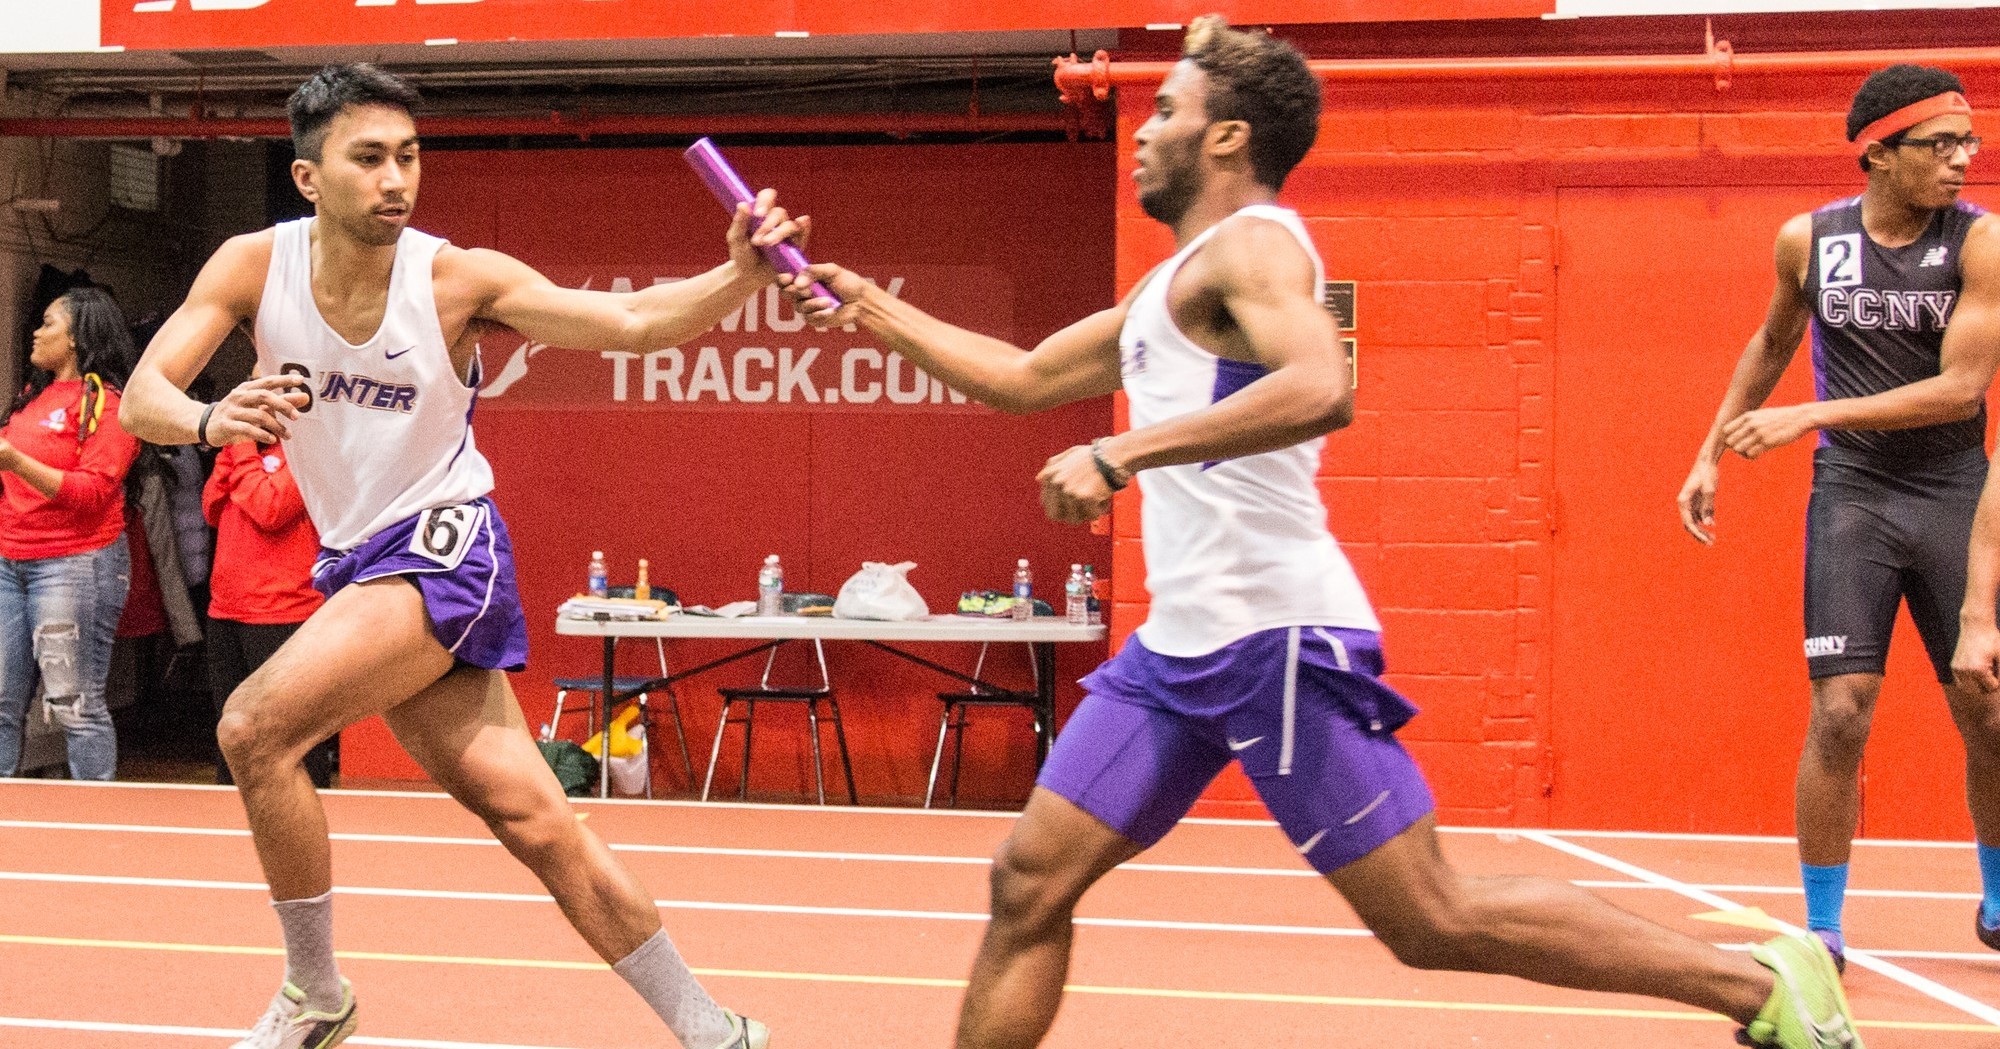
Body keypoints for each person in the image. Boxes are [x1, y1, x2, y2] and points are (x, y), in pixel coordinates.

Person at [784, 16, 1859, 1049]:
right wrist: (869, 306)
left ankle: (1765, 985)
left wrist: (1120, 453)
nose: (1143, 130)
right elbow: (1021, 377)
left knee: (1429, 916)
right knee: (1029, 878)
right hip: (1178, 652)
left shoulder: (1254, 250)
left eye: (1165, 111)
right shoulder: (1170, 285)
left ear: (1226, 138)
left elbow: (1319, 384)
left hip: (1275, 640)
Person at [121, 63, 803, 1049]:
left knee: (252, 726)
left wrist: (738, 274)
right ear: (309, 177)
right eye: (369, 158)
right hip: (359, 563)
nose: (396, 178)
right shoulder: (252, 266)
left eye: (408, 156)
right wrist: (207, 415)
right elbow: (144, 397)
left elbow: (630, 323)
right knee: (537, 822)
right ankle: (715, 1029)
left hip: (444, 548)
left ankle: (315, 993)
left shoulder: (453, 280)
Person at [1679, 63, 2000, 966]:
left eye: (1968, 141)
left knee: (1986, 708)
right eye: (1940, 144)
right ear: (1879, 153)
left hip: (1952, 490)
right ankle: (1822, 927)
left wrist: (1811, 413)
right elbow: (1774, 339)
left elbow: (1962, 387)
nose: (1962, 159)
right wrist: (1709, 450)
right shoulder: (1809, 242)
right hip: (1854, 495)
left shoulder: (1980, 243)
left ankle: (1998, 898)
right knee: (1840, 712)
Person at [0, 286, 140, 781]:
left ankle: (94, 816)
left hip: (75, 563)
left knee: (74, 704)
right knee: (1, 703)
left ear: (78, 337)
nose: (36, 333)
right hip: (8, 562)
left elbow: (92, 493)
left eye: (48, 323)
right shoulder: (31, 396)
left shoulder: (109, 404)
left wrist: (16, 460)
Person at [203, 435, 334, 787]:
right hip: (226, 609)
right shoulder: (244, 447)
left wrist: (240, 447)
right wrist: (235, 450)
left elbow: (269, 508)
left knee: (292, 736)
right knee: (231, 730)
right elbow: (211, 507)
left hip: (287, 611)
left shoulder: (310, 447)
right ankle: (230, 815)